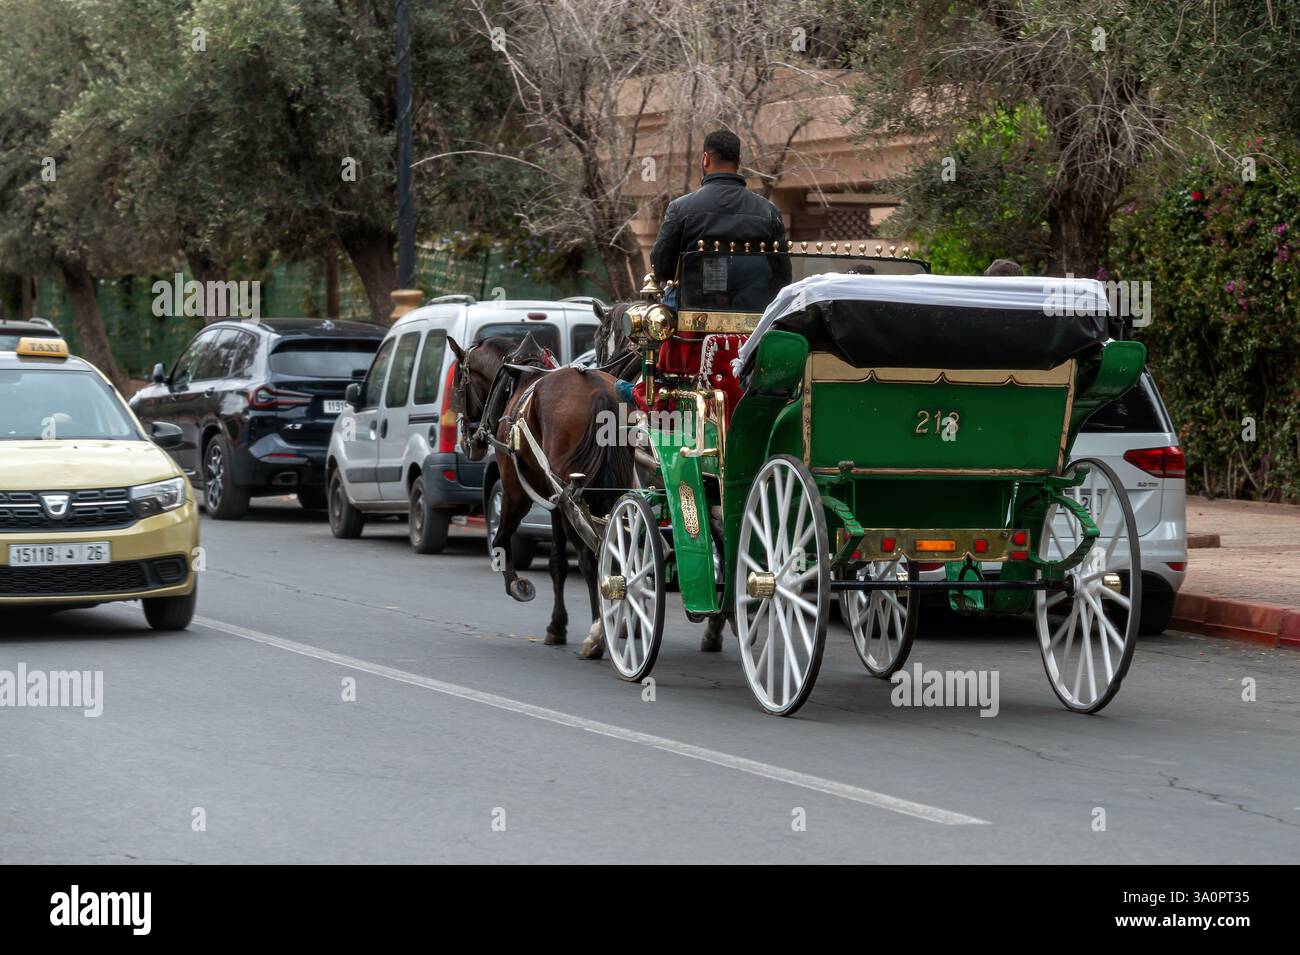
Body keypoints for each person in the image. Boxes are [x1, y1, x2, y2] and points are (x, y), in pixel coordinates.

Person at [649, 129, 787, 299]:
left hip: (694, 315)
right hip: (754, 316)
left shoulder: (680, 208)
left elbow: (661, 268)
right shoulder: (769, 211)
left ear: (706, 159)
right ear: (739, 162)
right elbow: (782, 275)